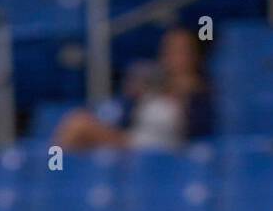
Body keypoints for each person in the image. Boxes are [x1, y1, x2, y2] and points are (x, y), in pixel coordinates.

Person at [53, 28, 212, 152]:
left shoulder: (198, 90)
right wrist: (132, 97)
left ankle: (50, 170)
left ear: (193, 54)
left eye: (180, 50)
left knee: (79, 124)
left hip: (164, 149)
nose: (172, 57)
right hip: (136, 142)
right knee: (78, 128)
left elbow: (196, 131)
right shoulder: (154, 83)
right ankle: (51, 179)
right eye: (168, 50)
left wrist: (182, 97)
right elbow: (124, 118)